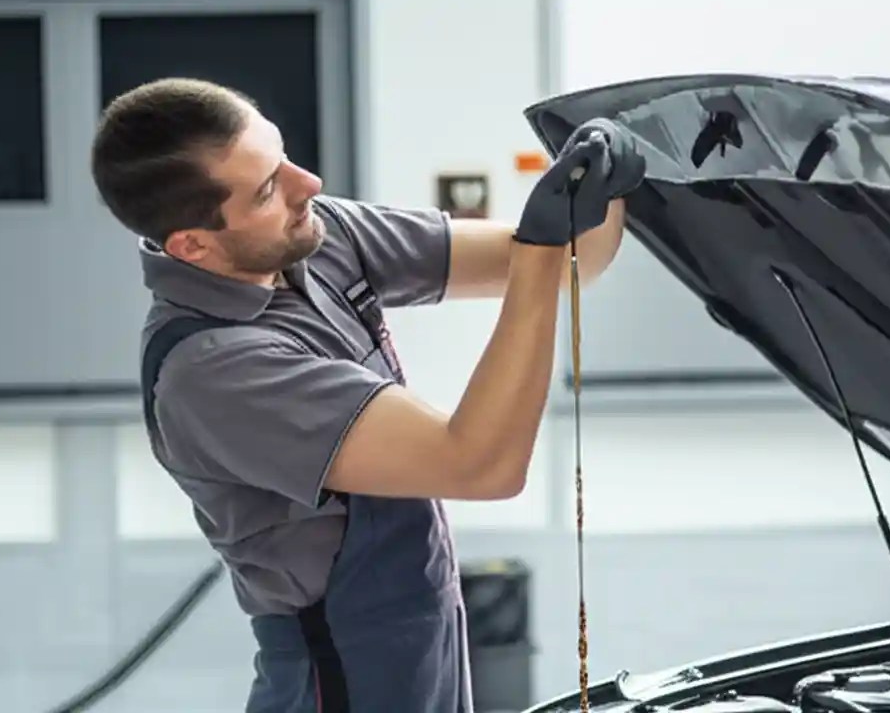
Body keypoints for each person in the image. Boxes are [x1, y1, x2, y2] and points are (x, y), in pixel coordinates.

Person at [90, 77, 645, 713]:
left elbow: (573, 258)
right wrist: (542, 250)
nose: (308, 184)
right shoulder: (214, 369)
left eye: (282, 157)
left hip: (425, 633)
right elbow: (481, 464)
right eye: (268, 189)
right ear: (193, 244)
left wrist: (612, 168)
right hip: (342, 672)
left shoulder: (314, 235)